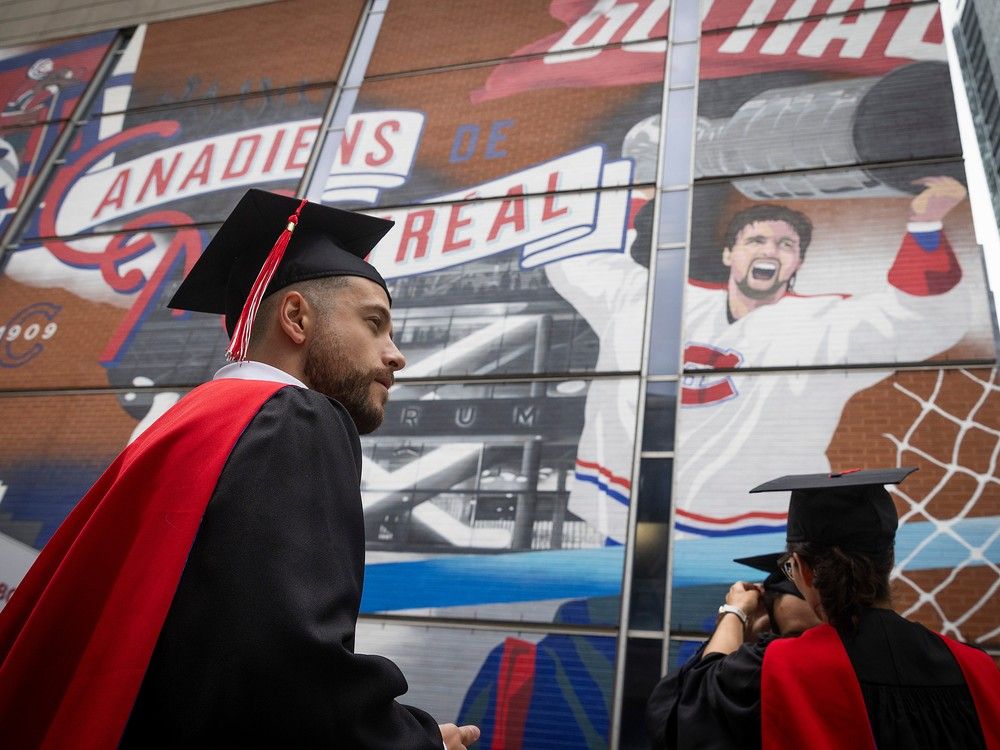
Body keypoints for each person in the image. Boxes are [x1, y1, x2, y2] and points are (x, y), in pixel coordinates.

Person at [0, 189, 480, 750]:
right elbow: (287, 666)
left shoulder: (188, 424)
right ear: (296, 317)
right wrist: (415, 743)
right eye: (375, 323)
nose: (396, 354)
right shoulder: (295, 418)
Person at [676, 176, 975, 538]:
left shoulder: (824, 322)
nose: (770, 250)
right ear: (728, 253)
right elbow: (601, 272)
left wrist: (925, 224)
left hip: (763, 526)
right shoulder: (674, 303)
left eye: (786, 244)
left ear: (798, 261)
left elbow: (925, 318)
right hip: (633, 515)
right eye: (756, 240)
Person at [646, 467, 1000, 749]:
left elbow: (685, 708)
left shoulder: (780, 669)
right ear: (889, 561)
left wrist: (735, 611)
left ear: (804, 570)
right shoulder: (978, 669)